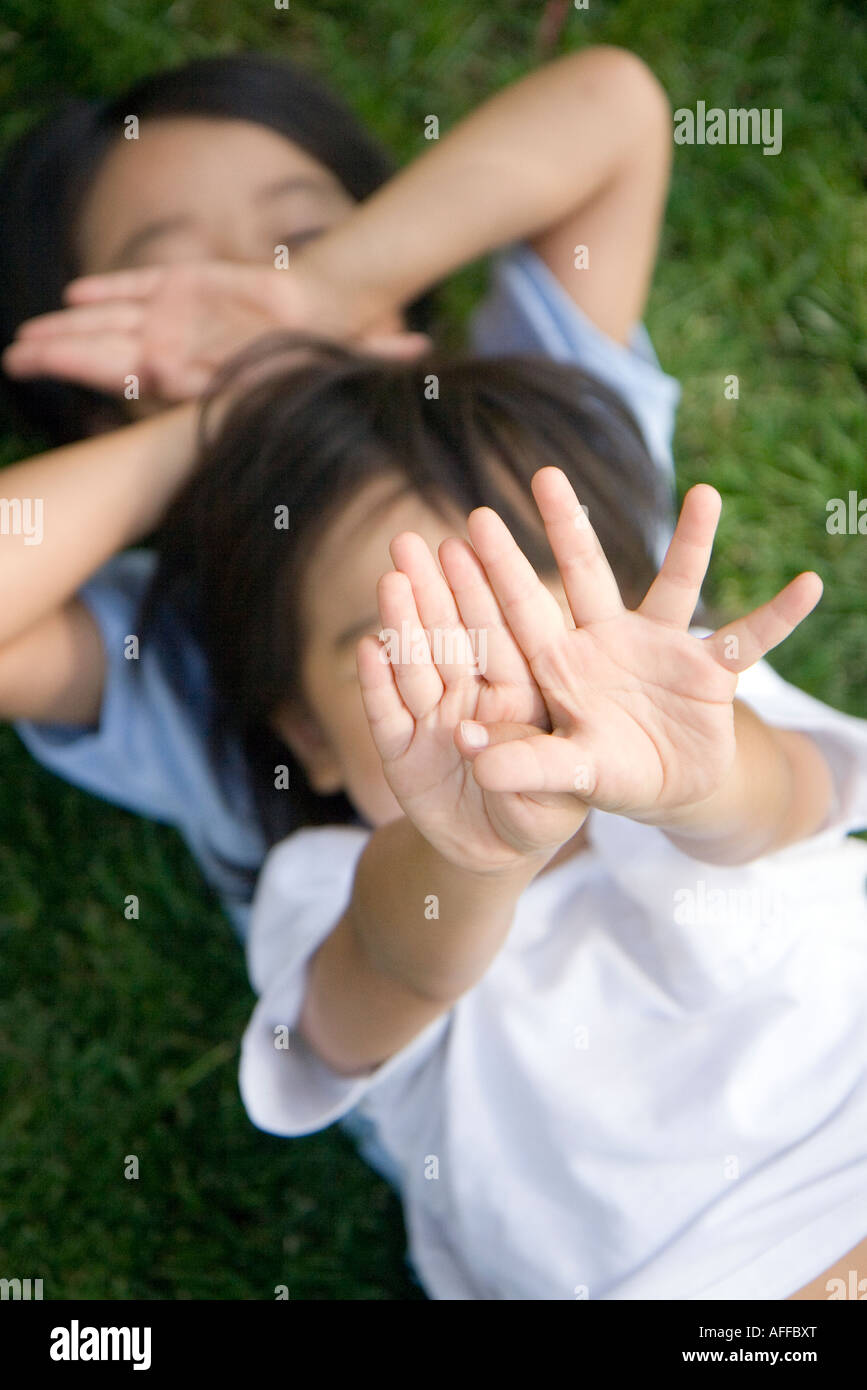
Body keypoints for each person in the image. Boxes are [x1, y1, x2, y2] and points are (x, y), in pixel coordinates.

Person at [143, 332, 867, 1301]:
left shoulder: (699, 706)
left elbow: (782, 800)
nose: (491, 664)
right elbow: (385, 976)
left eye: (527, 592)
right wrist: (477, 853)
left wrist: (694, 779)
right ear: (311, 734)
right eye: (410, 644)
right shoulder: (327, 885)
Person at [0, 44, 678, 932]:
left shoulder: (544, 424)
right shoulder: (184, 650)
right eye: (170, 295)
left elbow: (612, 104)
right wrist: (217, 421)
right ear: (99, 412)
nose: (246, 296)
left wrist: (318, 298)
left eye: (301, 242)